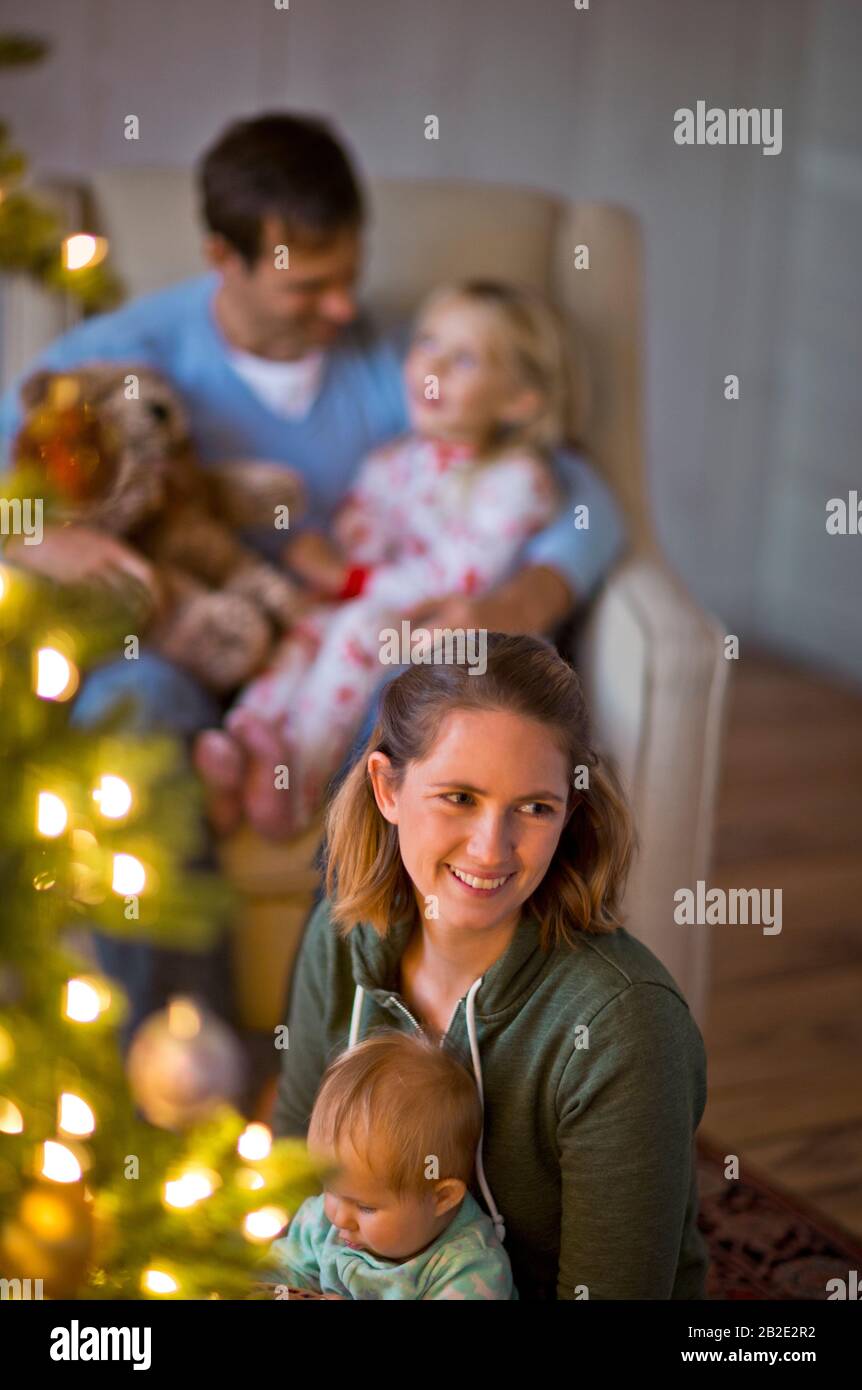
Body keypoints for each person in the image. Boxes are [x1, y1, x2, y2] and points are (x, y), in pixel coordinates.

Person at [0, 111, 623, 1038]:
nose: (340, 310)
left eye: (349, 277)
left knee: (421, 712)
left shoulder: (386, 360)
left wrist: (522, 596)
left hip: (340, 632)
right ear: (225, 256)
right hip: (178, 635)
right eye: (309, 287)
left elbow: (582, 498)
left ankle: (346, 1041)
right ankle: (182, 1051)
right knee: (127, 714)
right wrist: (37, 537)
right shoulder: (120, 360)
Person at [271, 633, 709, 1301]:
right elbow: (294, 1180)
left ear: (571, 813)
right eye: (460, 798)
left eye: (535, 808)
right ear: (388, 788)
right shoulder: (341, 933)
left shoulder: (626, 1025)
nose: (490, 848)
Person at [194, 278, 567, 839]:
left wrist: (354, 578)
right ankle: (246, 743)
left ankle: (296, 780)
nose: (432, 368)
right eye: (426, 344)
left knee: (357, 629)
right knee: (305, 631)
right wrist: (343, 548)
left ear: (518, 400)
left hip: (449, 635)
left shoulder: (516, 481)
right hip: (378, 606)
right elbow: (363, 519)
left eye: (463, 359)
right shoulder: (394, 460)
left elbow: (461, 574)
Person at [265, 1031, 516, 1299]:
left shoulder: (470, 1269)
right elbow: (277, 1274)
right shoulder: (321, 1222)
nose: (339, 1218)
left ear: (441, 1197)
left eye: (366, 1207)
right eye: (330, 1188)